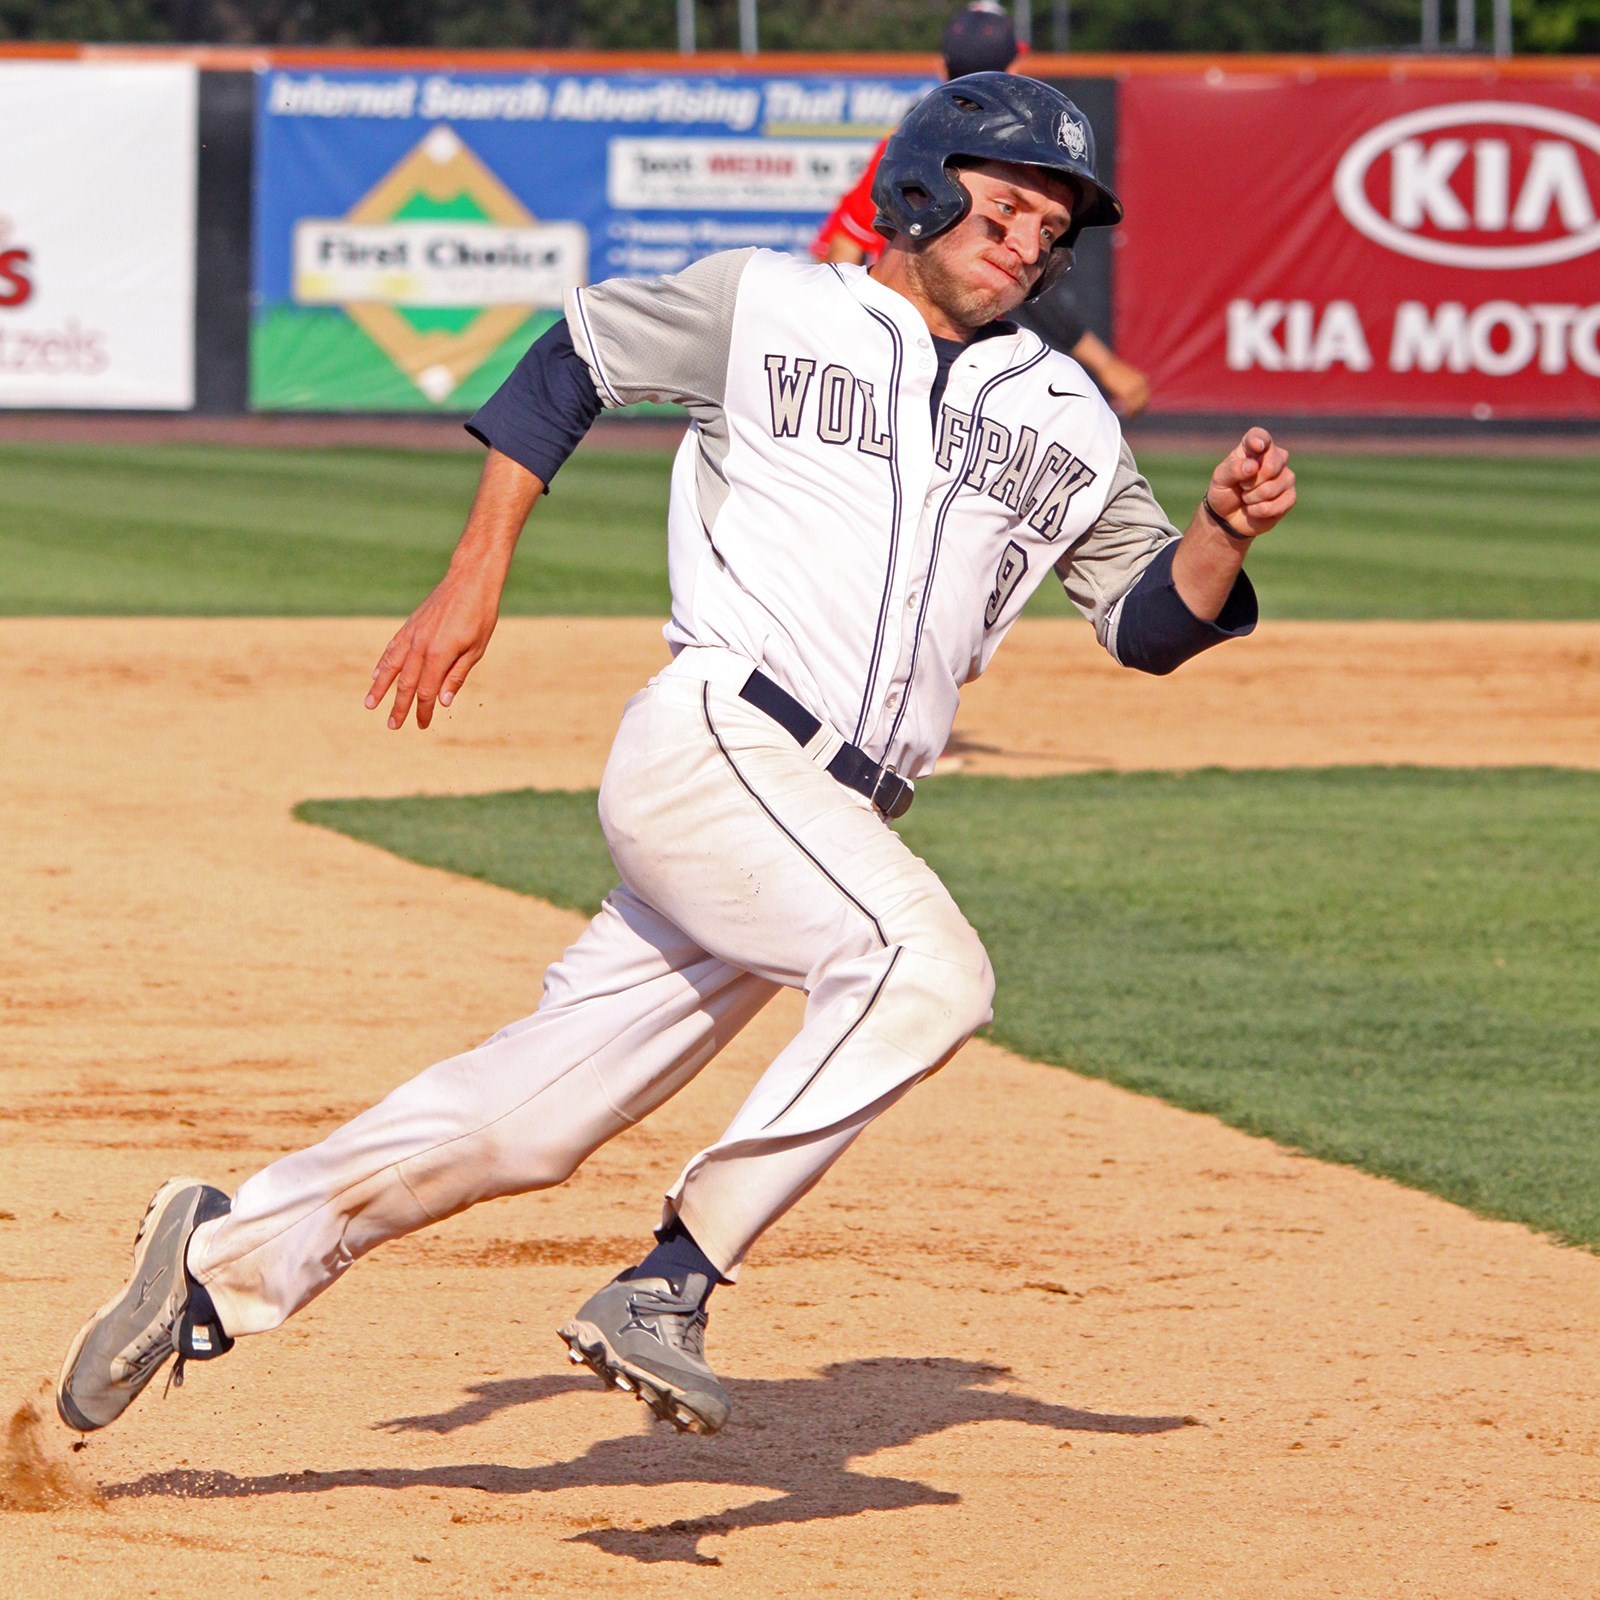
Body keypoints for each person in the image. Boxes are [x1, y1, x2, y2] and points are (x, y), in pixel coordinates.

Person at [56, 73, 1294, 1442]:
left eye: (1052, 228)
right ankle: (672, 1282)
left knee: (526, 1126)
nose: (1028, 243)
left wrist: (1223, 534)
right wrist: (476, 575)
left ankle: (221, 1258)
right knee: (927, 970)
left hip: (823, 820)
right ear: (922, 189)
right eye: (1005, 207)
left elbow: (1145, 624)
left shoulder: (1065, 416)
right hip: (720, 736)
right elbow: (565, 360)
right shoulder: (772, 305)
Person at [813, 0, 1153, 418]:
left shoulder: (912, 143)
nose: (1028, 248)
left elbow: (845, 244)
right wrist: (1103, 363)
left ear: (941, 68)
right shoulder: (950, 150)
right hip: (916, 351)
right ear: (1016, 70)